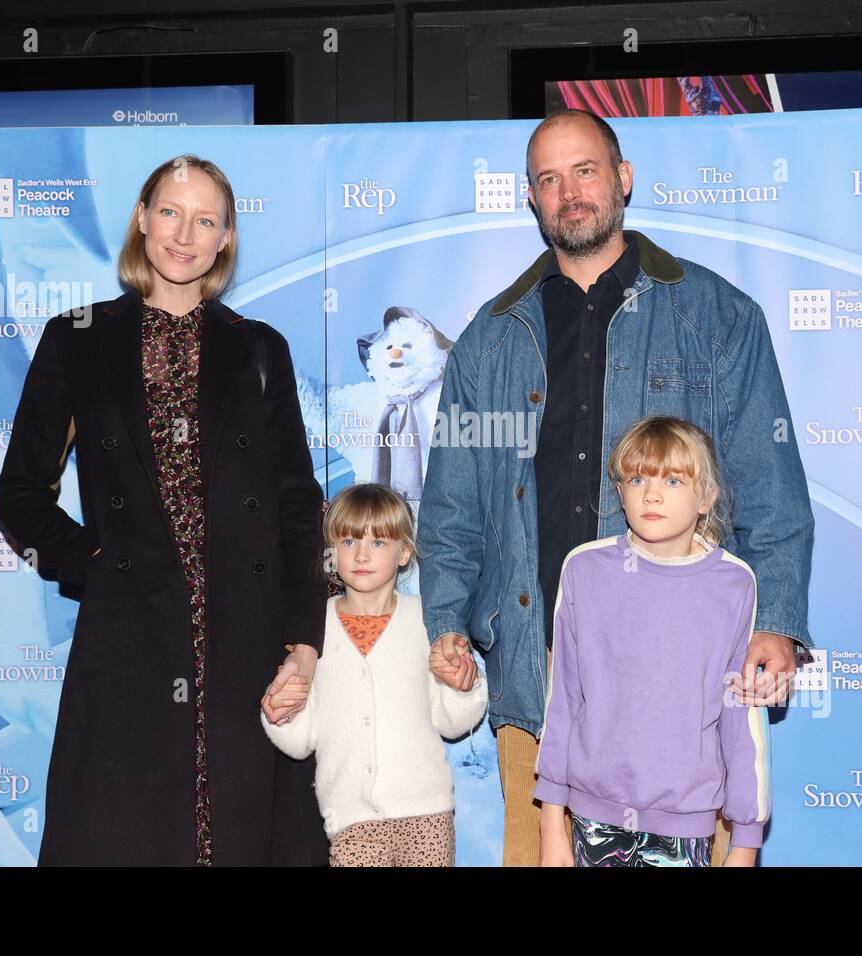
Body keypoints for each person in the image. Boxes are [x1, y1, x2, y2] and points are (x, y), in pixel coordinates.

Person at [418, 108, 813, 866]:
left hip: (690, 700)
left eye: (585, 170)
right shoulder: (489, 341)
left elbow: (770, 489)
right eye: (548, 178)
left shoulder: (718, 317)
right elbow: (451, 509)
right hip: (538, 690)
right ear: (531, 200)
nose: (568, 192)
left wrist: (778, 621)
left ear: (623, 179)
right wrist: (448, 622)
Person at [0, 154, 329, 865]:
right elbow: (18, 492)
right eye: (171, 213)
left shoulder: (259, 348)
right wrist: (94, 562)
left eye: (205, 220)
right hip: (131, 637)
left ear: (226, 240)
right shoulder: (76, 337)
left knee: (244, 836)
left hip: (245, 637)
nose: (185, 233)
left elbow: (299, 504)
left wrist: (303, 642)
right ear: (143, 221)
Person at [536, 416, 768, 867]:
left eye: (675, 480)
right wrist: (551, 827)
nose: (652, 494)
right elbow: (562, 699)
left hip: (685, 827)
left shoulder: (733, 584)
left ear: (707, 497)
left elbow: (742, 720)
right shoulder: (584, 570)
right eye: (637, 478)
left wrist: (745, 843)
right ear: (619, 491)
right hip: (591, 819)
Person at [262, 482, 488, 866]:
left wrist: (463, 686)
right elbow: (302, 741)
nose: (362, 554)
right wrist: (279, 713)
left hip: (427, 818)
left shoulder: (427, 620)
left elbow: (453, 723)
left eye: (379, 542)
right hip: (352, 822)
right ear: (331, 551)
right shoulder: (313, 631)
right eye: (349, 541)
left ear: (405, 553)